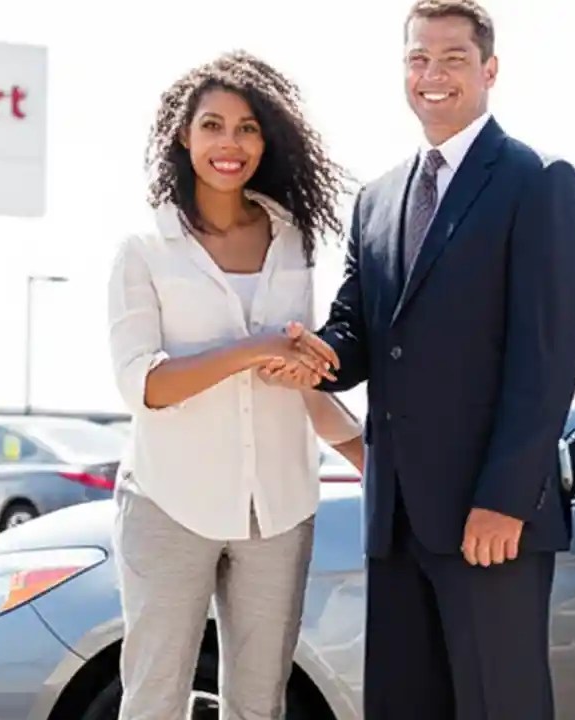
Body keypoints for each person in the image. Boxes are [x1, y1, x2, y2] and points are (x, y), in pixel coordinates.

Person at [265, 1, 575, 717]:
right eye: (419, 58)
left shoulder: (537, 180)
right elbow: (358, 332)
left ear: (489, 70)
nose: (432, 75)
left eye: (452, 59)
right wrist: (308, 357)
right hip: (396, 518)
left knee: (496, 705)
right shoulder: (377, 199)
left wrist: (505, 499)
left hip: (489, 519)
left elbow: (548, 358)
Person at [105, 50, 364, 720]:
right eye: (213, 125)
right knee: (154, 697)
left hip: (278, 508)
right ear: (183, 137)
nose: (230, 143)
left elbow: (298, 378)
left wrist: (366, 454)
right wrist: (251, 349)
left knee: (260, 703)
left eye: (247, 127)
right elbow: (147, 387)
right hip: (170, 503)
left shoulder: (291, 237)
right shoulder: (145, 249)